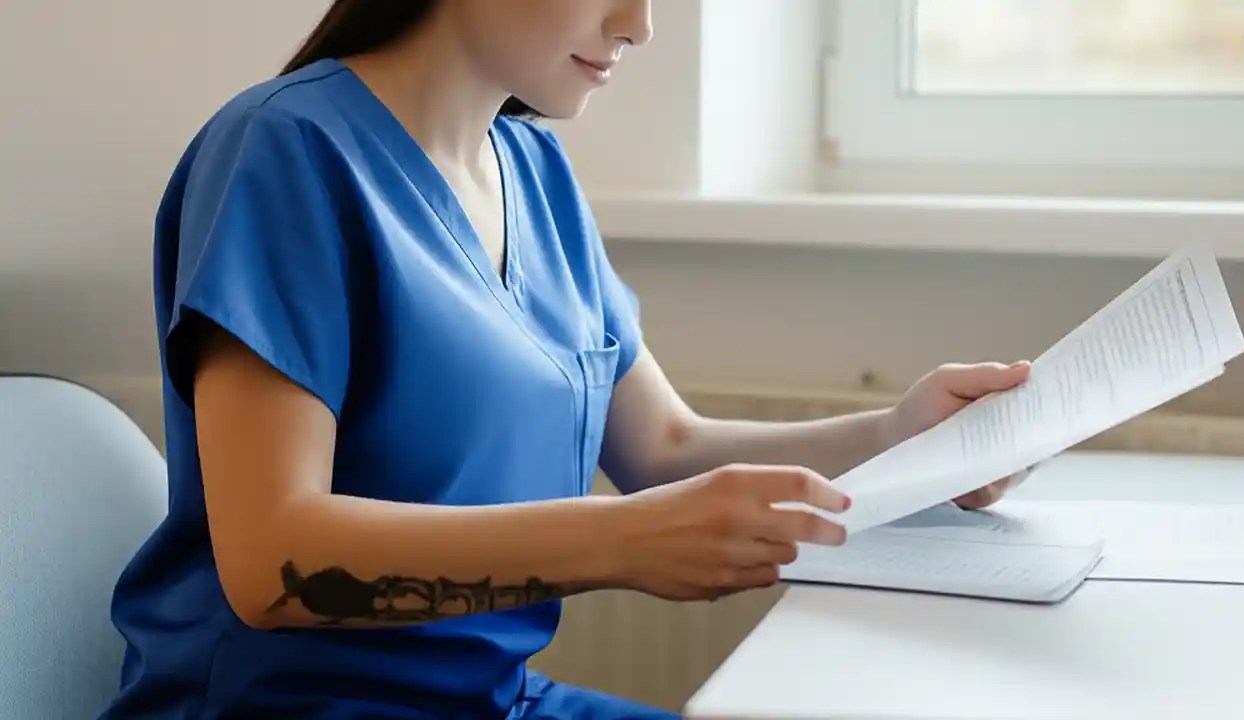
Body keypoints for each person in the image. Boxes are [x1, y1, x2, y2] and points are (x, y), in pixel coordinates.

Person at [101, 1, 1031, 717]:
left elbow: (662, 446)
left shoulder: (534, 175)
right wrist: (626, 543)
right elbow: (274, 562)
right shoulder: (285, 152)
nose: (640, 24)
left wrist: (898, 434)